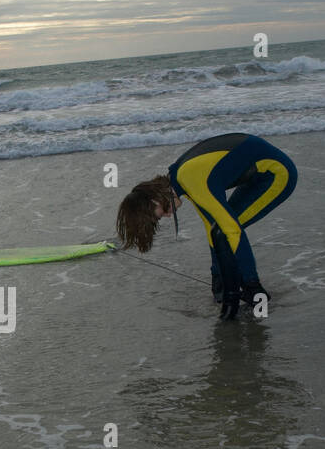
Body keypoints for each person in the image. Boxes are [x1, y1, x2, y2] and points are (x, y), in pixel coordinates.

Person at [115, 132, 298, 319]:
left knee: (226, 231)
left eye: (160, 214)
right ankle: (228, 285)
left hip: (277, 174)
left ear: (154, 200)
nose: (168, 216)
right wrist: (218, 280)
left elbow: (231, 232)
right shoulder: (180, 178)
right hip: (257, 177)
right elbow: (211, 227)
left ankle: (257, 294)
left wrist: (244, 289)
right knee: (218, 229)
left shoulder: (192, 180)